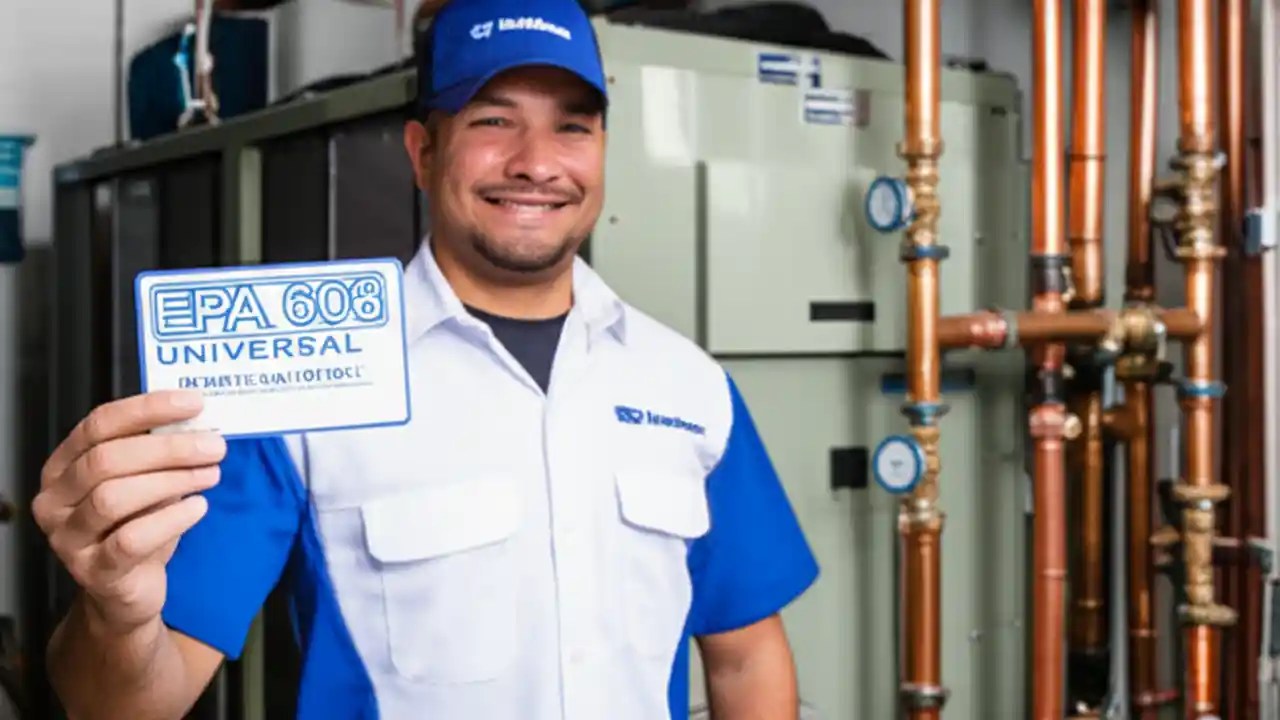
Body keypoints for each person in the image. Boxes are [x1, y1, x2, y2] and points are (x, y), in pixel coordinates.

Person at [33, 0, 820, 717]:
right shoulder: (309, 386)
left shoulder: (690, 387)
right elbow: (120, 705)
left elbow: (747, 659)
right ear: (422, 152)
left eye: (573, 127)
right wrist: (113, 612)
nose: (537, 162)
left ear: (603, 150)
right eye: (494, 121)